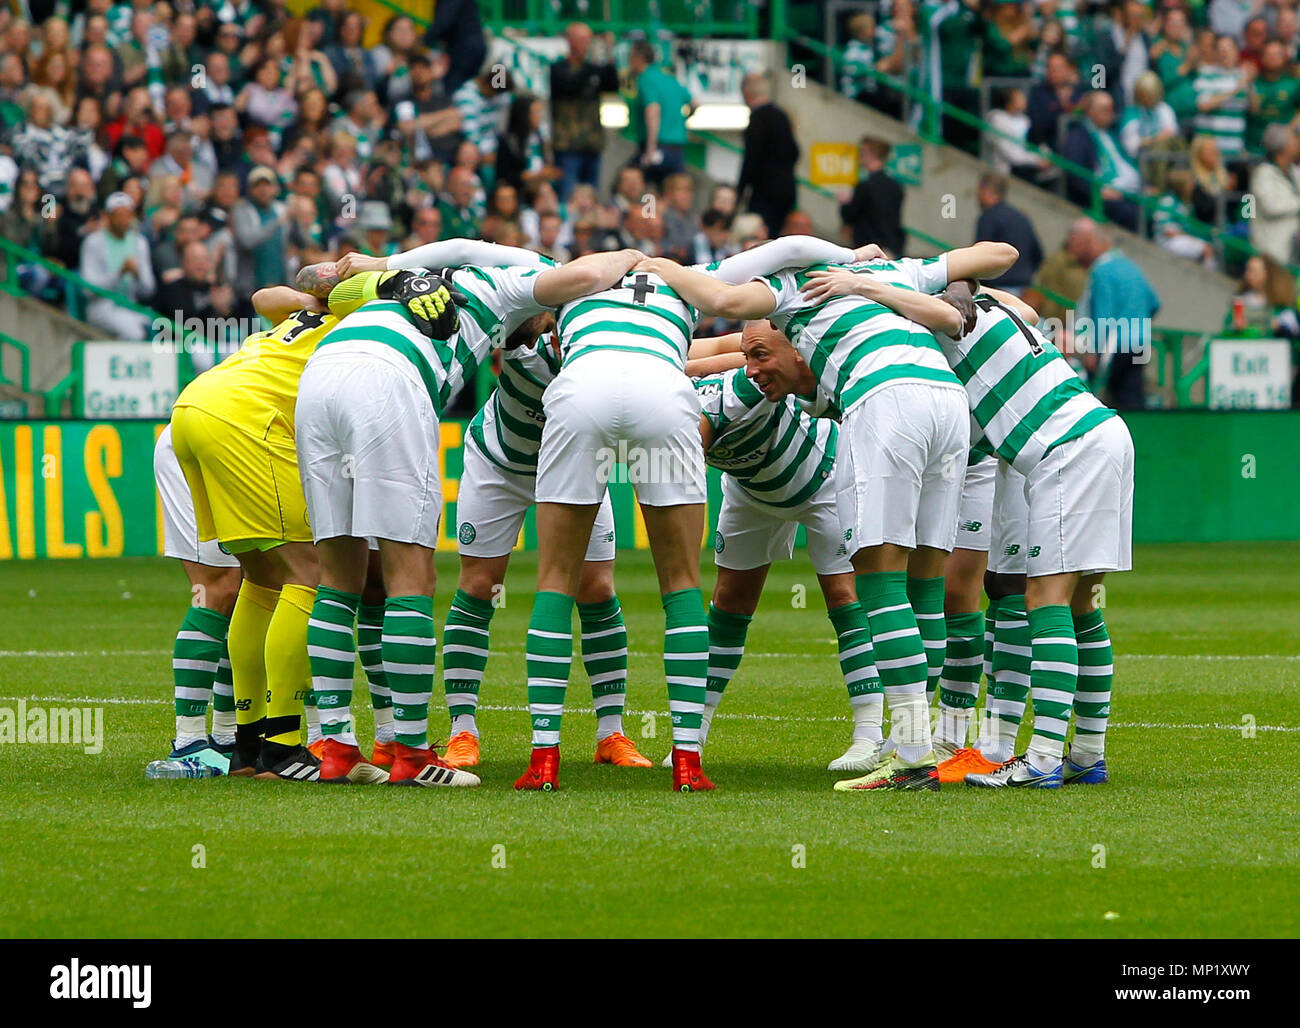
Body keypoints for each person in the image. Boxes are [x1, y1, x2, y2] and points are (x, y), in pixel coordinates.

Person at [637, 240, 1019, 792]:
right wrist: (882, 281)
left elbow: (719, 292)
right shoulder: (891, 272)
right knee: (927, 590)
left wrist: (660, 265)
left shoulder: (795, 286)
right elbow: (997, 254)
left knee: (880, 587)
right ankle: (923, 743)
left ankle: (911, 756)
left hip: (885, 402)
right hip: (948, 405)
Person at [844, 278, 1132, 787]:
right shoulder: (999, 306)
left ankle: (1041, 760)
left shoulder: (957, 317)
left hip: (1065, 448)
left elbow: (956, 304)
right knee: (1083, 605)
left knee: (1044, 601)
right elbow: (1002, 290)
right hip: (1101, 433)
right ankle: (1087, 755)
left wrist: (861, 285)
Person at [691, 324, 887, 772]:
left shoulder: (743, 384)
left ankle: (868, 736)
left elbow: (748, 362)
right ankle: (692, 737)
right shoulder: (665, 389)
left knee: (844, 596)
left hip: (825, 476)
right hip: (751, 493)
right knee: (729, 601)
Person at [149, 424, 242, 774]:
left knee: (247, 592)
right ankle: (188, 741)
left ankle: (227, 734)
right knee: (217, 587)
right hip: (203, 443)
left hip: (232, 443)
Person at [1071, 218, 1160, 409]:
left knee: (1100, 400)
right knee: (1133, 398)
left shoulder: (1102, 271)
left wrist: (1094, 350)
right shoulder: (1131, 267)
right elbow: (1154, 302)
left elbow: (1105, 315)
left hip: (1113, 346)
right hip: (1139, 342)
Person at [549, 22, 618, 201]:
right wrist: (593, 65)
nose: (586, 44)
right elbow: (571, 86)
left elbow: (612, 84)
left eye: (588, 40)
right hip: (568, 145)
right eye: (582, 40)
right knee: (567, 195)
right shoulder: (558, 69)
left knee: (591, 197)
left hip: (592, 144)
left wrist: (609, 52)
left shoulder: (592, 70)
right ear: (570, 41)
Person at [80, 191, 155, 340]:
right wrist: (119, 274)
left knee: (161, 329)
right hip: (101, 307)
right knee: (133, 333)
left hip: (131, 306)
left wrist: (137, 274)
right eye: (118, 215)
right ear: (108, 216)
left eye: (127, 215)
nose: (123, 220)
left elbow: (149, 290)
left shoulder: (140, 243)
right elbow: (88, 290)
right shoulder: (93, 243)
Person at [1063, 90, 1141, 230]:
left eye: (1112, 108)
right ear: (1091, 111)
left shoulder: (1111, 135)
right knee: (1131, 213)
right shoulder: (1078, 136)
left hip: (1128, 189)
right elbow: (1075, 174)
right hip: (1098, 193)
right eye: (1105, 109)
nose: (1110, 113)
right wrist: (1098, 191)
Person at [736, 72, 798, 239]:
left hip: (765, 192)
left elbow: (751, 160)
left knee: (760, 237)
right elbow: (795, 152)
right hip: (786, 189)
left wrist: (740, 190)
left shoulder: (757, 119)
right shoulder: (782, 115)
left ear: (747, 93)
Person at [626, 40, 692, 187]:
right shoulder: (669, 78)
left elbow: (653, 110)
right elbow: (695, 104)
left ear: (638, 57)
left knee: (632, 183)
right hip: (677, 149)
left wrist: (651, 148)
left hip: (657, 147)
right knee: (670, 190)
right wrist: (681, 122)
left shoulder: (646, 79)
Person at [973, 172, 1043, 295]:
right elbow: (1038, 255)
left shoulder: (988, 218)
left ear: (987, 190)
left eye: (979, 191)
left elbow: (979, 257)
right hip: (1023, 292)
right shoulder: (1022, 218)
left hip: (996, 291)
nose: (977, 196)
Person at [231, 165, 289, 306]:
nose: (263, 190)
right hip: (251, 288)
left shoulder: (281, 209)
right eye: (258, 186)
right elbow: (247, 241)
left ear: (275, 188)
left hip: (279, 285)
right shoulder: (241, 210)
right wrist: (275, 224)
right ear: (250, 189)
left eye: (267, 185)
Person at [839, 136, 904, 255]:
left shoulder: (866, 186)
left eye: (862, 152)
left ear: (872, 154)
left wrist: (845, 203)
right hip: (891, 246)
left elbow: (850, 215)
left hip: (869, 246)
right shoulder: (896, 186)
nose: (859, 156)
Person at [1247, 124, 1300, 266]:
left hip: (1293, 248)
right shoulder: (1263, 173)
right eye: (1293, 141)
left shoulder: (1293, 171)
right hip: (1271, 250)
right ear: (1283, 148)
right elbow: (1271, 206)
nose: (1297, 144)